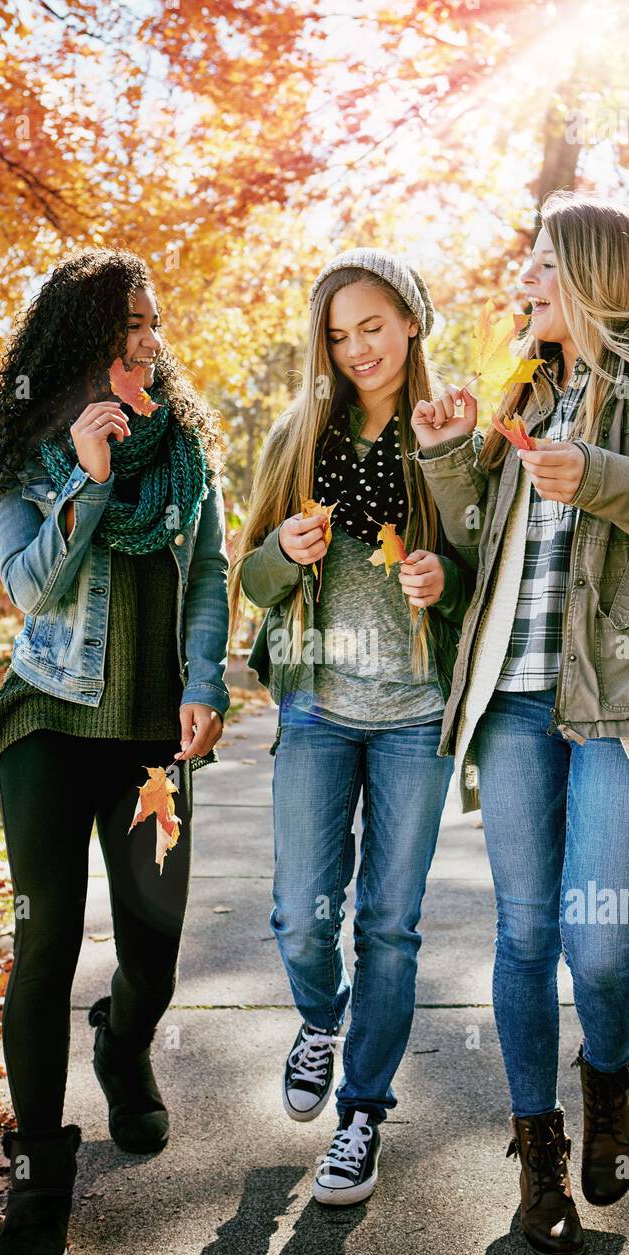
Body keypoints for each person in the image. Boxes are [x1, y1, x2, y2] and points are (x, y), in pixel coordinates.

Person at [411, 191, 629, 1255]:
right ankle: (537, 1158)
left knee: (600, 941)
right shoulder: (532, 384)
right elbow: (482, 549)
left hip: (627, 698)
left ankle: (607, 1080)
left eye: (540, 261)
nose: (523, 278)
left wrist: (602, 479)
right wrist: (445, 458)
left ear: (588, 270)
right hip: (518, 700)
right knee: (526, 935)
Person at [0, 249, 230, 1255]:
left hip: (149, 749)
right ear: (82, 338)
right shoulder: (23, 454)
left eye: (153, 322)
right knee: (43, 939)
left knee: (156, 938)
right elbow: (30, 591)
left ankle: (122, 1043)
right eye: (130, 323)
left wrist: (203, 680)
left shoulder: (185, 453)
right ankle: (38, 1178)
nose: (149, 340)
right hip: (47, 727)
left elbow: (207, 574)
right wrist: (86, 478)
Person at [228, 248, 473, 1206]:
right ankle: (319, 1019)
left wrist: (442, 582)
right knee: (299, 915)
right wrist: (284, 554)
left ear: (411, 319)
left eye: (373, 325)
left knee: (391, 925)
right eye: (338, 333)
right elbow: (247, 578)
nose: (358, 348)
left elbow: (486, 565)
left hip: (416, 714)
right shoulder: (301, 433)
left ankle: (363, 1111)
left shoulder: (447, 432)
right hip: (318, 706)